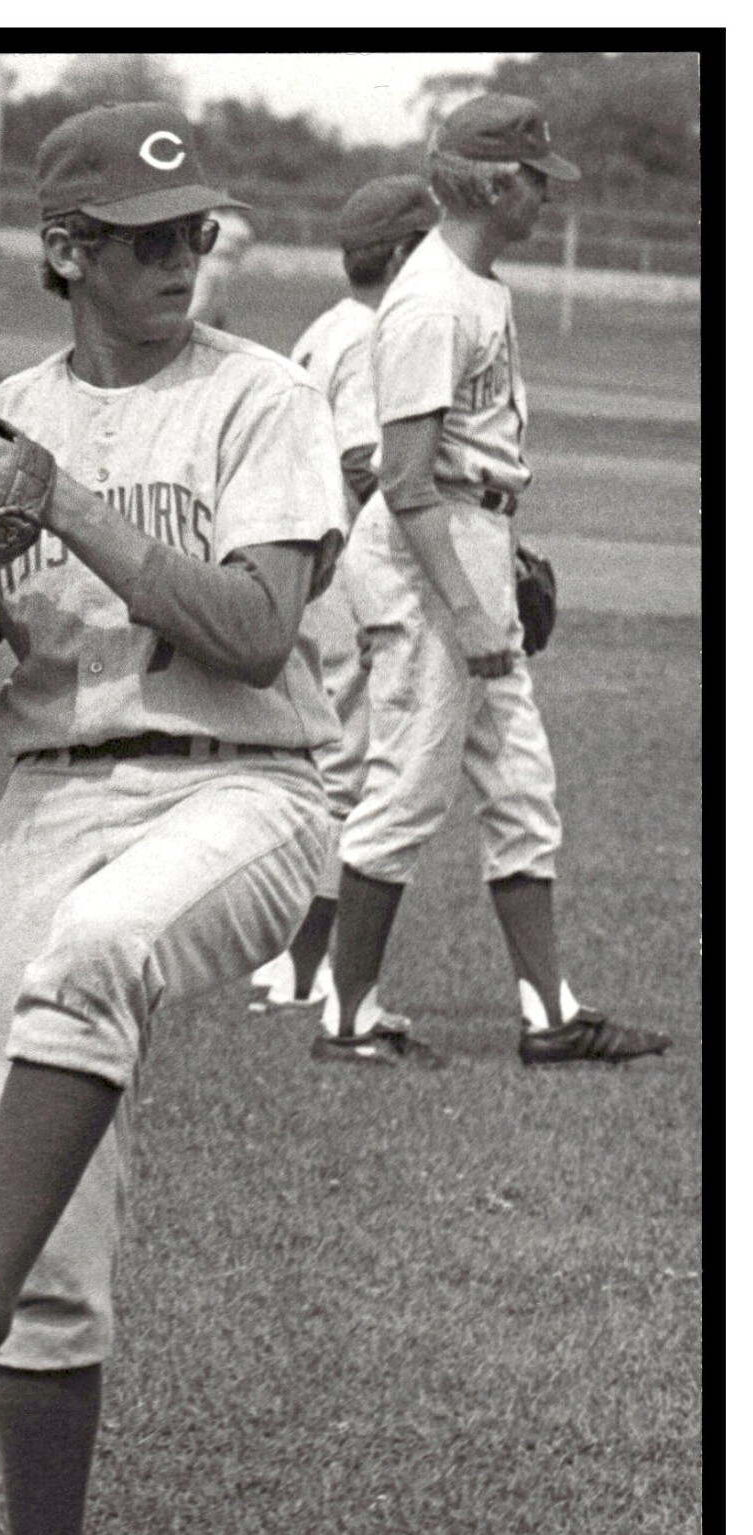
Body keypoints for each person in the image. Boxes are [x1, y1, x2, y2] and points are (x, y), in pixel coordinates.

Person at [0, 102, 347, 1535]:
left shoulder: (261, 400)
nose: (185, 254)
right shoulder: (4, 419)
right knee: (56, 1257)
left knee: (96, 952)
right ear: (67, 250)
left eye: (198, 229)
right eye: (148, 239)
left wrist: (62, 506)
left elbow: (256, 636)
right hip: (53, 796)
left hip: (244, 787)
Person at [311, 94, 673, 1070]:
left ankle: (548, 1012)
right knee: (407, 790)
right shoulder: (430, 299)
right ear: (491, 182)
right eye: (535, 180)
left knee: (520, 786)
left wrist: (498, 560)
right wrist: (468, 606)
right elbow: (401, 477)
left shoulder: (479, 286)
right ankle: (347, 1019)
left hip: (473, 533)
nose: (546, 197)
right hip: (427, 550)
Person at [249, 176, 438, 1013]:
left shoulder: (328, 326)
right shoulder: (371, 335)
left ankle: (294, 961)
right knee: (347, 773)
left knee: (331, 767)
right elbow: (368, 460)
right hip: (343, 567)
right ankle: (301, 967)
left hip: (308, 566)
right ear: (399, 255)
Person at [186, 206, 255, 329]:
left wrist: (236, 258)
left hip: (227, 264)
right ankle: (186, 323)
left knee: (221, 302)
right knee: (201, 298)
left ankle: (219, 330)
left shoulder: (237, 223)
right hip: (209, 262)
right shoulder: (210, 218)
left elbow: (246, 242)